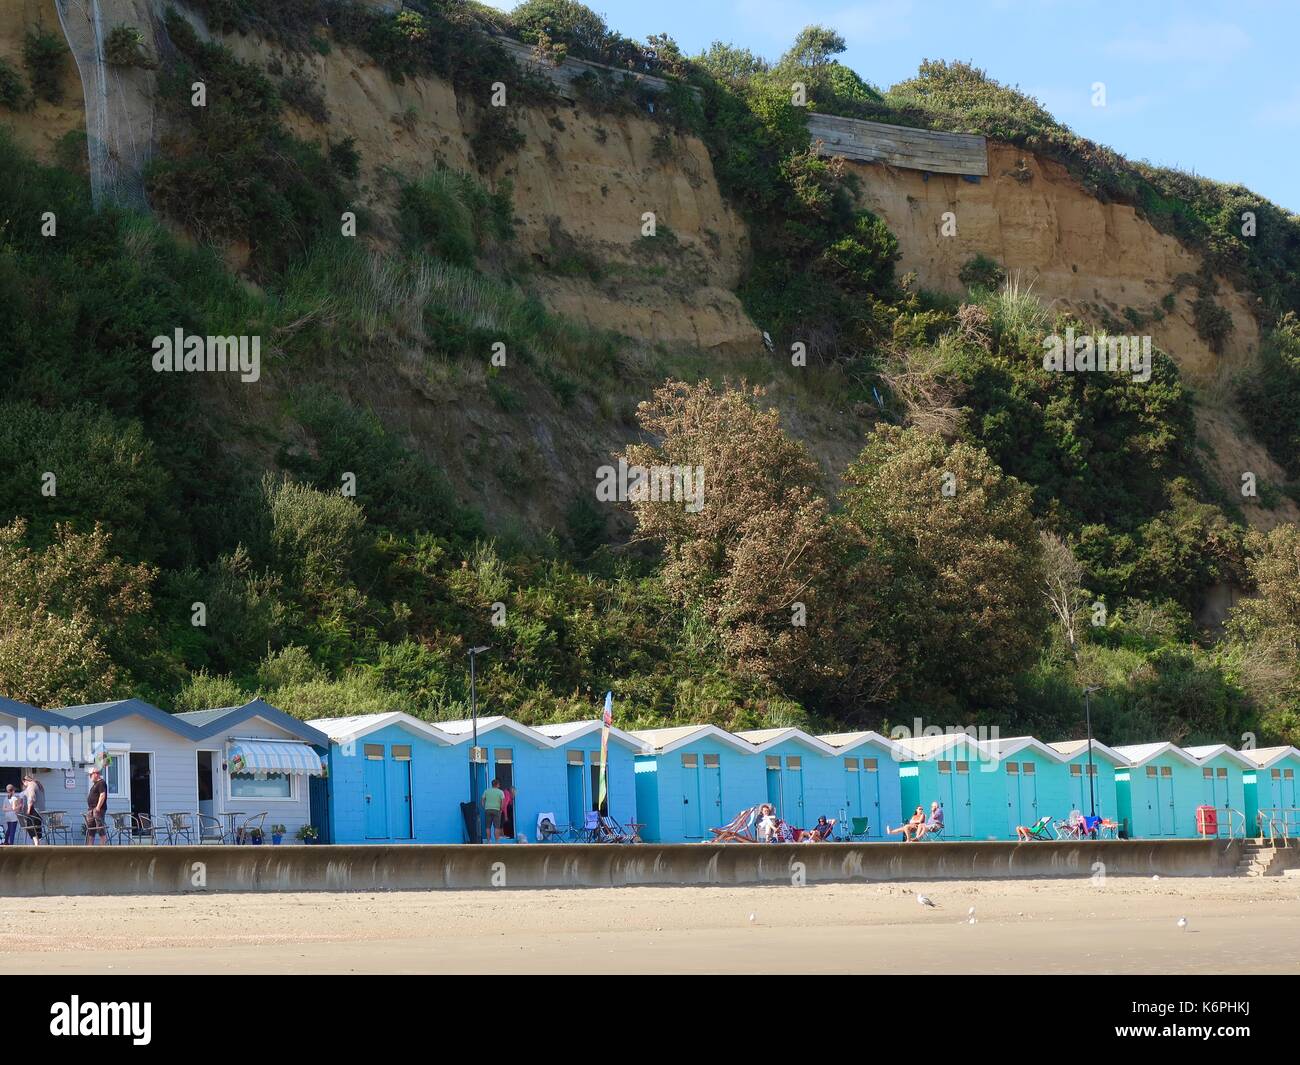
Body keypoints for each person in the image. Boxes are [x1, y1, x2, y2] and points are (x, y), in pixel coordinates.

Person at [86, 768, 108, 845]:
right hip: (91, 810)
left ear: (96, 774)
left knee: (100, 828)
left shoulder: (101, 783)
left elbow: (102, 795)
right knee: (91, 831)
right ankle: (90, 850)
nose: (90, 776)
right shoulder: (94, 785)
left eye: (91, 775)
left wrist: (98, 807)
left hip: (98, 810)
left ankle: (101, 850)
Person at [21, 773, 43, 846]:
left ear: (26, 781)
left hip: (34, 810)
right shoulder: (39, 785)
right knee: (37, 828)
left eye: (23, 783)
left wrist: (28, 810)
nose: (24, 785)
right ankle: (36, 844)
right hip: (41, 811)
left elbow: (31, 798)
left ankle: (36, 844)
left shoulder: (31, 785)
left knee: (30, 826)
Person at [481, 778, 505, 843]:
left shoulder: (486, 791)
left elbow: (482, 800)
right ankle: (497, 841)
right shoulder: (500, 792)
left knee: (488, 826)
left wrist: (484, 807)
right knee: (496, 827)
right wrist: (501, 809)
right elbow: (503, 802)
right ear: (497, 785)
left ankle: (489, 841)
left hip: (488, 809)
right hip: (496, 810)